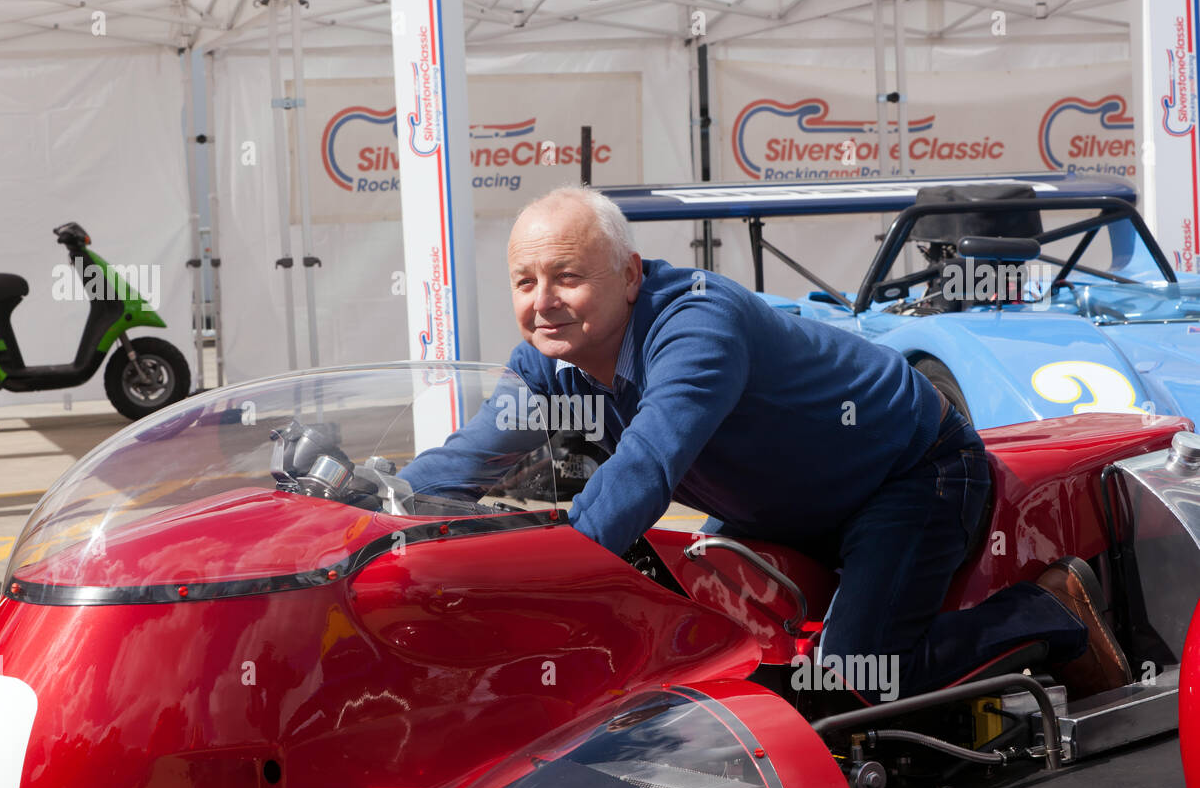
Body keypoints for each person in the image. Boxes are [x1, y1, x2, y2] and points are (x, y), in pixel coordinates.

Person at [400, 186, 1132, 701]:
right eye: (524, 282)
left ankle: (1051, 611)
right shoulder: (552, 356)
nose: (542, 301)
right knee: (722, 654)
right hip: (771, 503)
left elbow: (645, 468)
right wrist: (387, 504)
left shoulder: (694, 327)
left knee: (854, 678)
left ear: (627, 275)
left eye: (565, 276)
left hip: (908, 474)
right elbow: (470, 457)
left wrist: (545, 581)